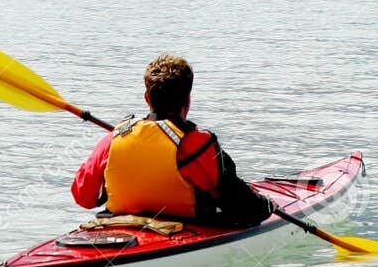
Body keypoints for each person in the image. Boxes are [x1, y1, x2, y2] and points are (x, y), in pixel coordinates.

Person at [71, 54, 270, 226]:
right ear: (188, 100)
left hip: (117, 230)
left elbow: (84, 197)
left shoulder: (112, 139)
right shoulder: (197, 145)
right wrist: (268, 206)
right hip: (188, 230)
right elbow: (244, 205)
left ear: (147, 98)